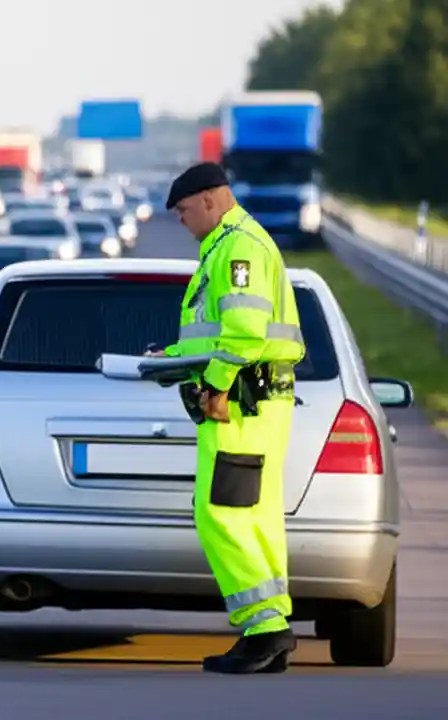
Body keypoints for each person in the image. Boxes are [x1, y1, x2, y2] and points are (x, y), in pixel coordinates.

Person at [155, 161, 306, 673]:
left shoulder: (237, 246)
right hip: (256, 401)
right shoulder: (229, 244)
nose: (181, 220)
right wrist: (174, 358)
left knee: (219, 511)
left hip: (241, 402)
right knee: (253, 516)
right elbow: (219, 332)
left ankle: (265, 629)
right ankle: (269, 629)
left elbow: (243, 330)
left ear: (210, 200)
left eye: (182, 210)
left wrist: (216, 384)